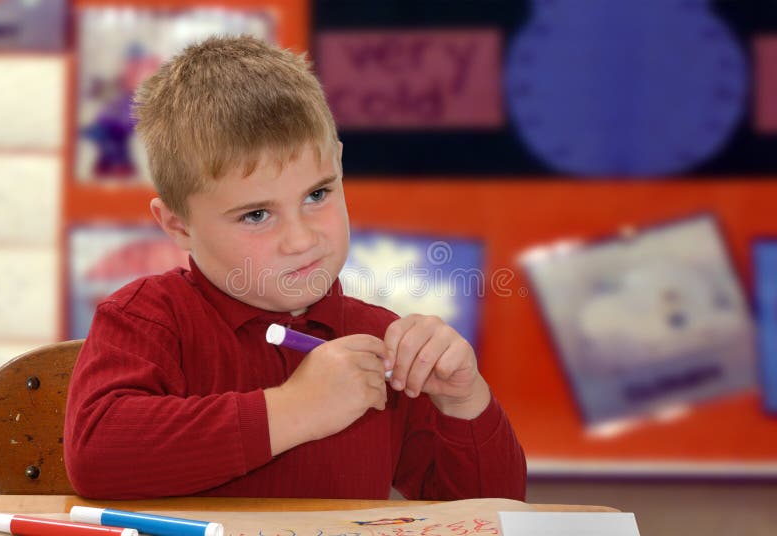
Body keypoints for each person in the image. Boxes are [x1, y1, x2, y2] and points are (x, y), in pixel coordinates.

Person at [63, 34, 526, 500]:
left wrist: (462, 400)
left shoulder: (381, 342)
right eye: (256, 215)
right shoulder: (146, 318)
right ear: (178, 225)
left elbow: (491, 510)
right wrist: (296, 409)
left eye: (318, 195)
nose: (302, 239)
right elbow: (96, 457)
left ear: (340, 166)